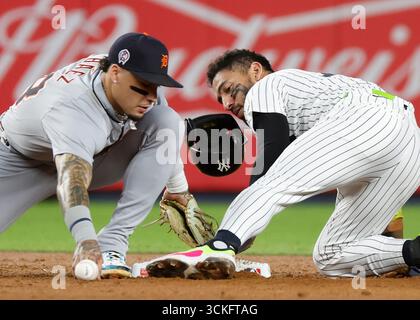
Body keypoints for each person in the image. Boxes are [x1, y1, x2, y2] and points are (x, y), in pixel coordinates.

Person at [146, 49, 420, 279]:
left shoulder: (268, 85)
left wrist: (237, 231)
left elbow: (270, 156)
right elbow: (373, 182)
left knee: (270, 183)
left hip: (366, 116)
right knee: (331, 256)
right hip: (410, 144)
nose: (228, 102)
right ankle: (412, 254)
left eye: (229, 89)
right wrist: (394, 247)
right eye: (220, 99)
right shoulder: (314, 116)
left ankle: (218, 246)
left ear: (255, 70)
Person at [0, 32, 196, 279]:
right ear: (114, 73)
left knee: (167, 119)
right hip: (16, 163)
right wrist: (85, 239)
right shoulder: (75, 109)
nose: (151, 96)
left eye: (156, 85)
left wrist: (178, 188)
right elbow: (72, 180)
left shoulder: (131, 79)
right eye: (144, 85)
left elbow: (166, 130)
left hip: (96, 158)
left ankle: (113, 242)